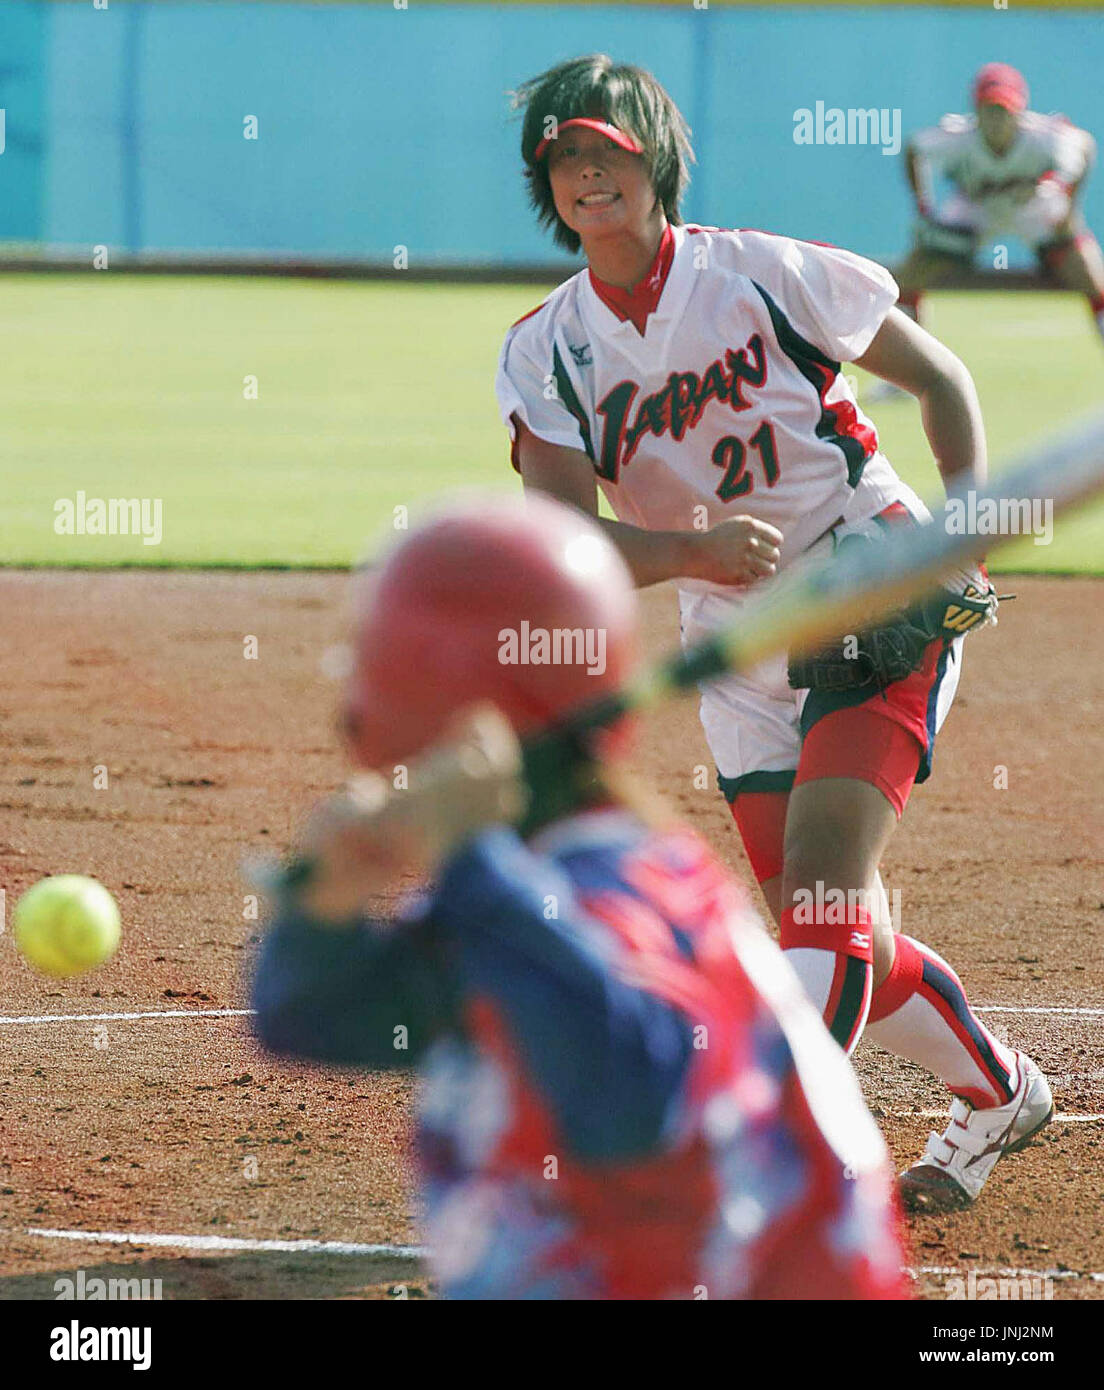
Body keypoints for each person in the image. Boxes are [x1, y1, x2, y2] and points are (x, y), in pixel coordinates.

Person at [495, 54, 1052, 1212]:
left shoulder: (759, 272)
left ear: (656, 163)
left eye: (610, 151)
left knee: (828, 898)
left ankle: (722, 1160)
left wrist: (961, 536)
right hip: (736, 641)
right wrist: (689, 553)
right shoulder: (545, 347)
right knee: (831, 925)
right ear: (547, 183)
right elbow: (570, 538)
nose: (589, 174)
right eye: (565, 158)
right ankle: (1000, 1093)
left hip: (869, 584)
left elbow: (941, 380)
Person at [252, 493, 907, 1299]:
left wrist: (467, 856)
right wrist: (326, 907)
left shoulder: (630, 889)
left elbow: (627, 1097)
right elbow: (308, 1016)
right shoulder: (542, 884)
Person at [896, 62, 1104, 344]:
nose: (997, 119)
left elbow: (1086, 147)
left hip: (1034, 210)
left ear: (1019, 110)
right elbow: (913, 149)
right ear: (976, 110)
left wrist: (1069, 208)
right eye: (989, 110)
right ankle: (907, 374)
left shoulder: (1046, 137)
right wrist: (924, 205)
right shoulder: (957, 137)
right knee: (909, 278)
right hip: (975, 210)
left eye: (1004, 110)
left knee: (1090, 275)